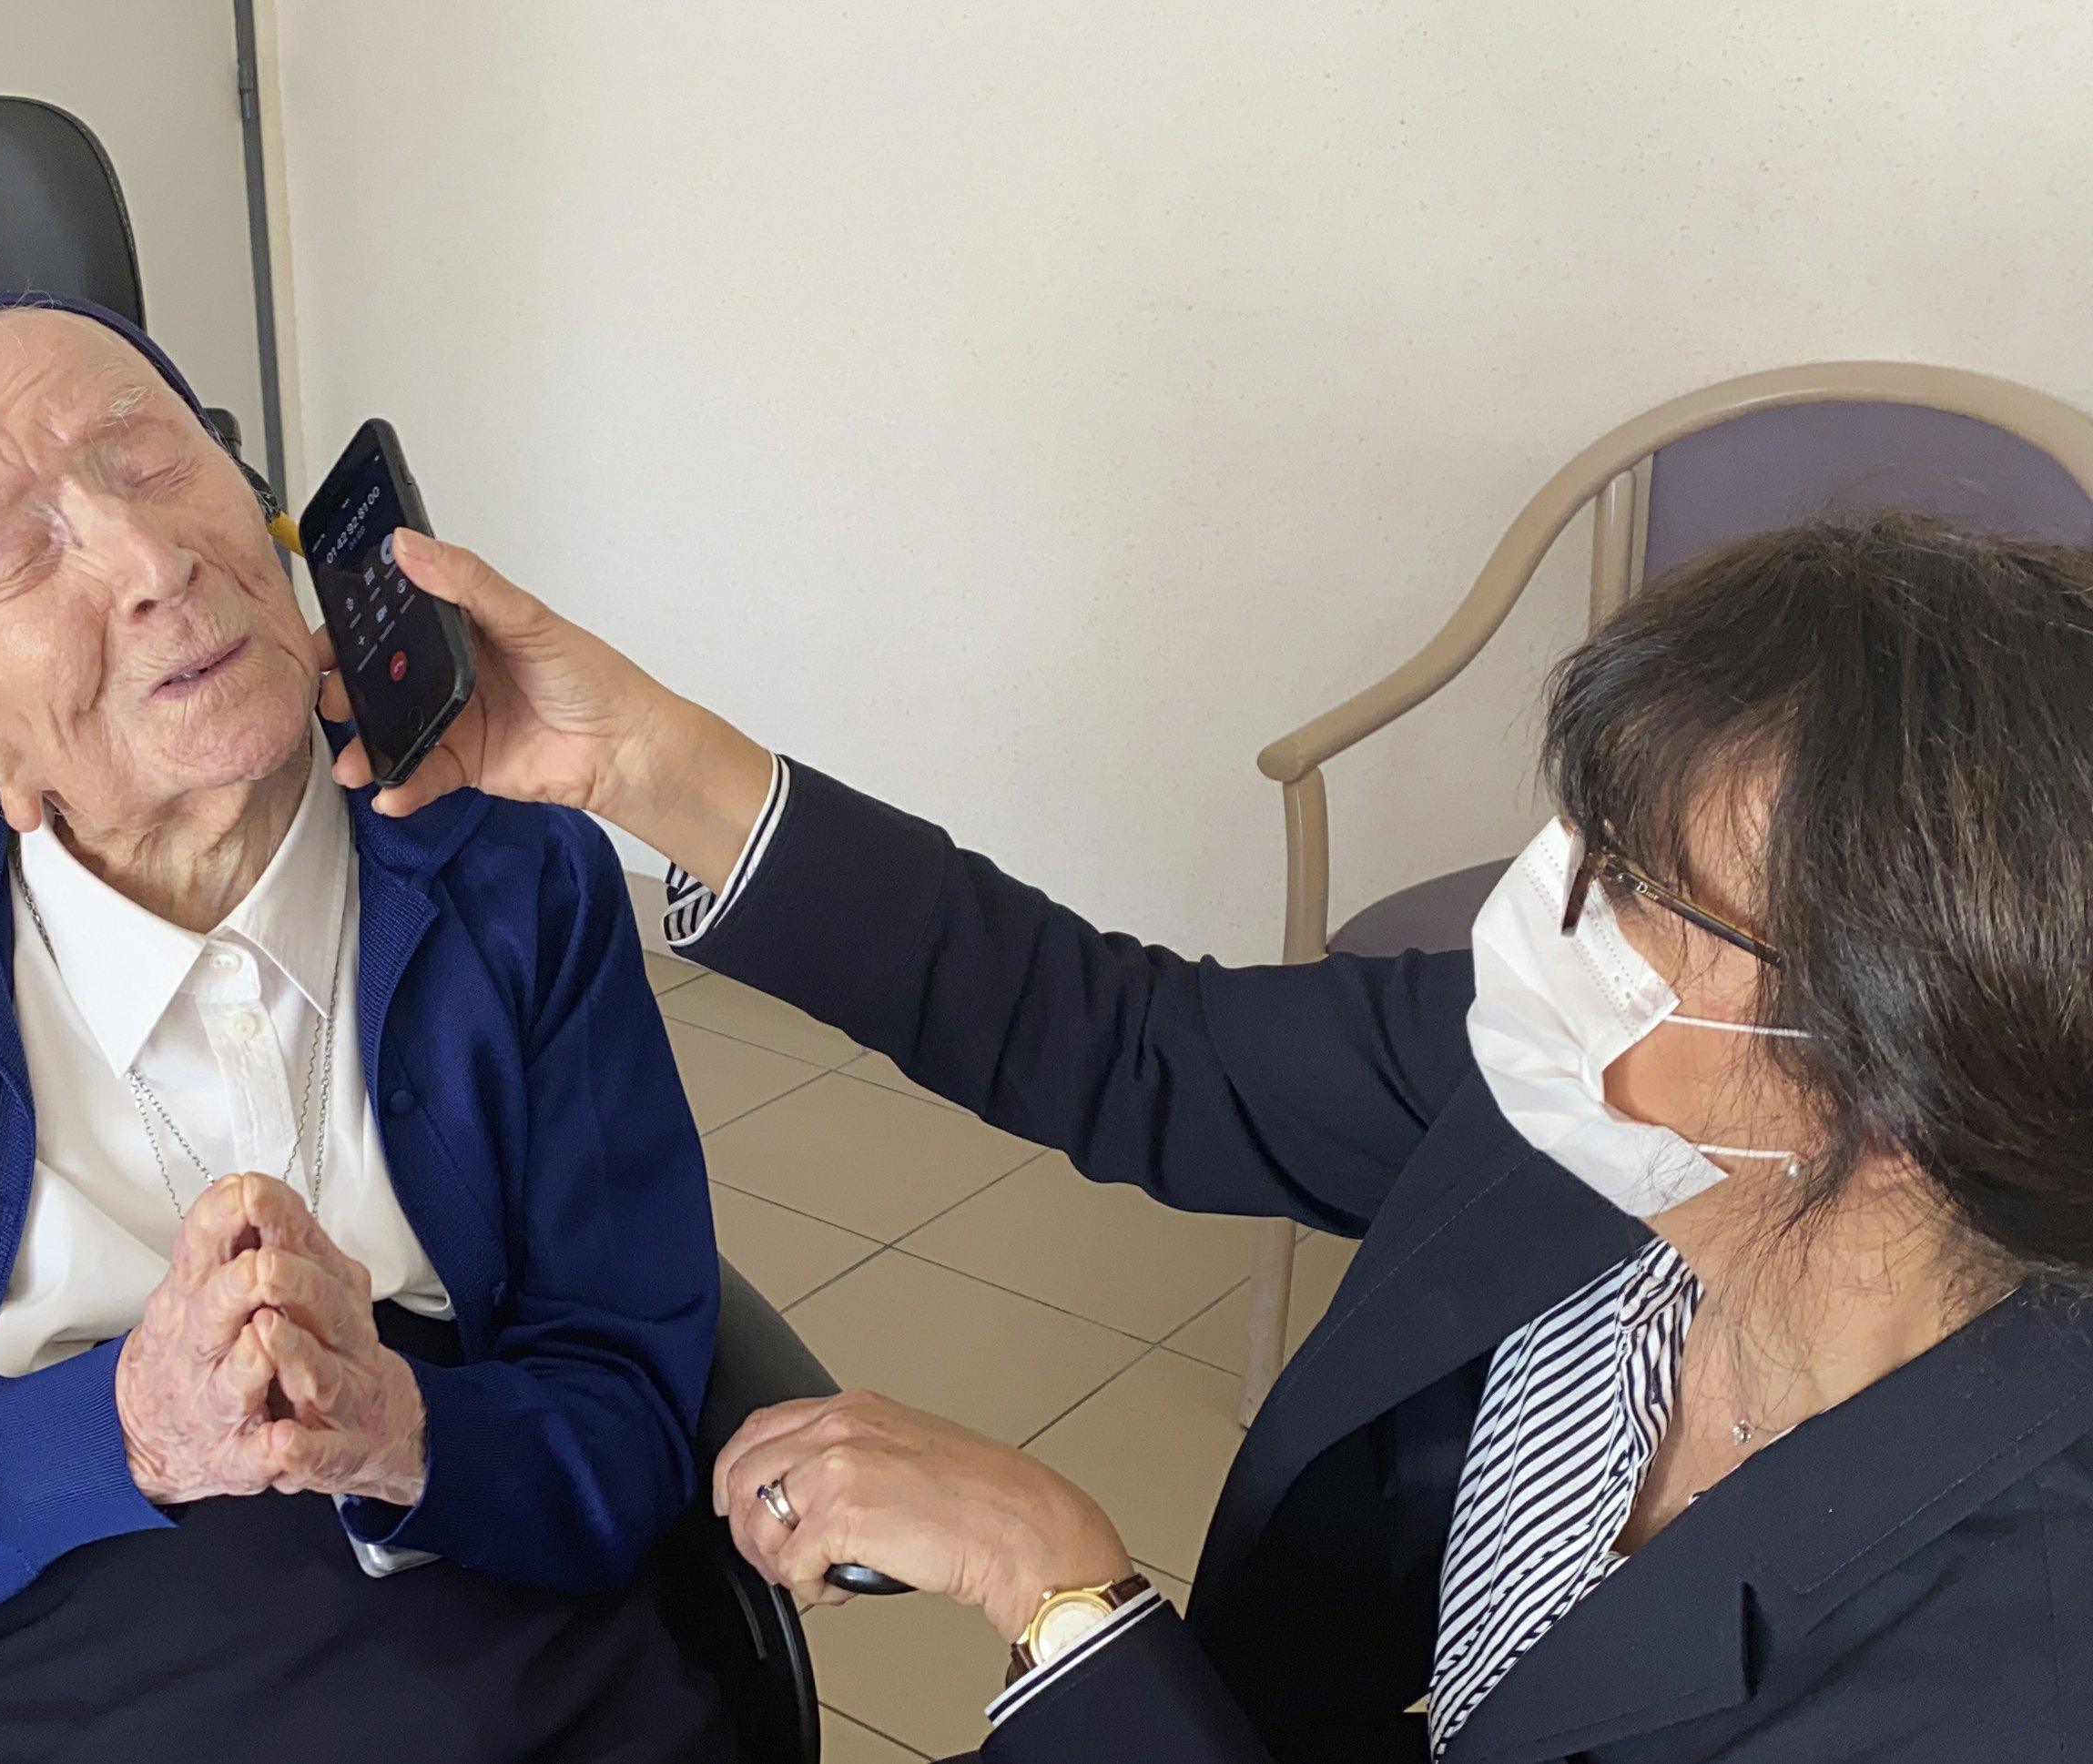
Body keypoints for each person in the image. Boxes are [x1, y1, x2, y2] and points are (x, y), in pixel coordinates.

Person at [330, 513, 2093, 1761]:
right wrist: (645, 763)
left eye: (1632, 885)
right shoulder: (1600, 1122)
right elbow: (1135, 1044)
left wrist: (1064, 1600)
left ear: (1898, 1067)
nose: (1541, 907)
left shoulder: (2008, 1658)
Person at [0, 294, 736, 1764]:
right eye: (8, 545)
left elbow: (627, 1396)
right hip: (22, 1664)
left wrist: (408, 1427)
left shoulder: (509, 864)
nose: (151, 562)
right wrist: (114, 1427)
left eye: (150, 457)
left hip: (492, 1643)